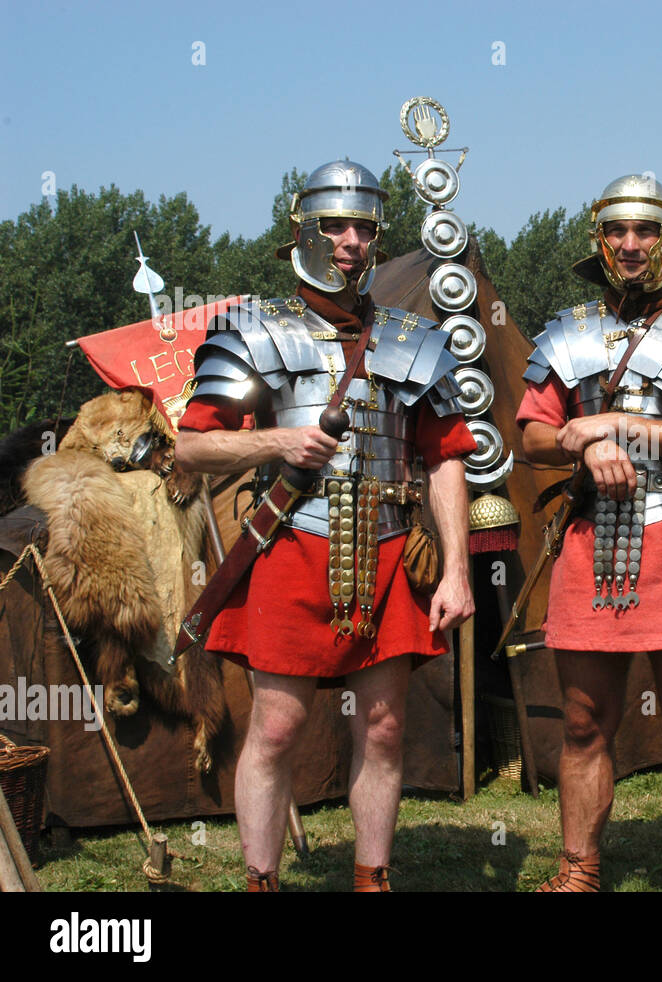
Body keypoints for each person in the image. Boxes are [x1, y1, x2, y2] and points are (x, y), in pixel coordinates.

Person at [175, 160, 476, 892]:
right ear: (301, 231)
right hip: (291, 546)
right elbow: (190, 446)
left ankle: (371, 877)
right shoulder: (251, 331)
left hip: (388, 549)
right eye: (334, 226)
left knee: (384, 728)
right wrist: (276, 441)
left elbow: (445, 460)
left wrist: (460, 569)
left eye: (364, 227)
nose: (350, 241)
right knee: (275, 731)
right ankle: (260, 880)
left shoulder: (414, 337)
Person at [516, 174, 662, 891]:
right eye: (617, 231)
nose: (631, 245)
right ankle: (579, 870)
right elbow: (532, 433)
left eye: (647, 231)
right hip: (589, 544)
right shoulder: (568, 329)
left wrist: (619, 427)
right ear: (598, 238)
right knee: (582, 721)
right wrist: (583, 444)